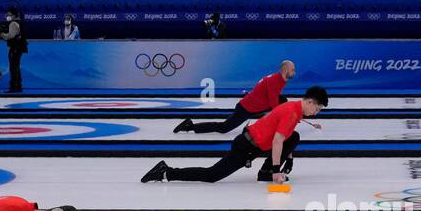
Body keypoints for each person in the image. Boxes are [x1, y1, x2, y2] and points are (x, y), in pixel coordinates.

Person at [141, 86, 329, 185]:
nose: (316, 113)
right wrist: (277, 170)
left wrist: (289, 157)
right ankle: (166, 171)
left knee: (295, 136)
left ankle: (265, 172)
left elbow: (288, 136)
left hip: (255, 144)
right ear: (311, 102)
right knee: (211, 175)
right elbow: (278, 140)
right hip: (246, 147)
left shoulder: (294, 108)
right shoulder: (292, 112)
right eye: (318, 108)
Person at [174, 60, 295, 134]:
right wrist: (289, 117)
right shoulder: (275, 81)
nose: (294, 72)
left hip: (256, 106)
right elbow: (274, 106)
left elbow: (277, 101)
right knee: (224, 128)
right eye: (292, 70)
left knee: (283, 100)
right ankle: (190, 126)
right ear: (285, 70)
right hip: (246, 108)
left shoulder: (280, 80)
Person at [0, 7, 26, 92]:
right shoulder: (19, 22)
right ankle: (18, 86)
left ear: (14, 15)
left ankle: (14, 87)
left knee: (13, 68)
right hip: (18, 48)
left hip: (15, 48)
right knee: (16, 67)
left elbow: (10, 36)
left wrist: (0, 33)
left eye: (9, 15)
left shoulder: (13, 23)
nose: (7, 16)